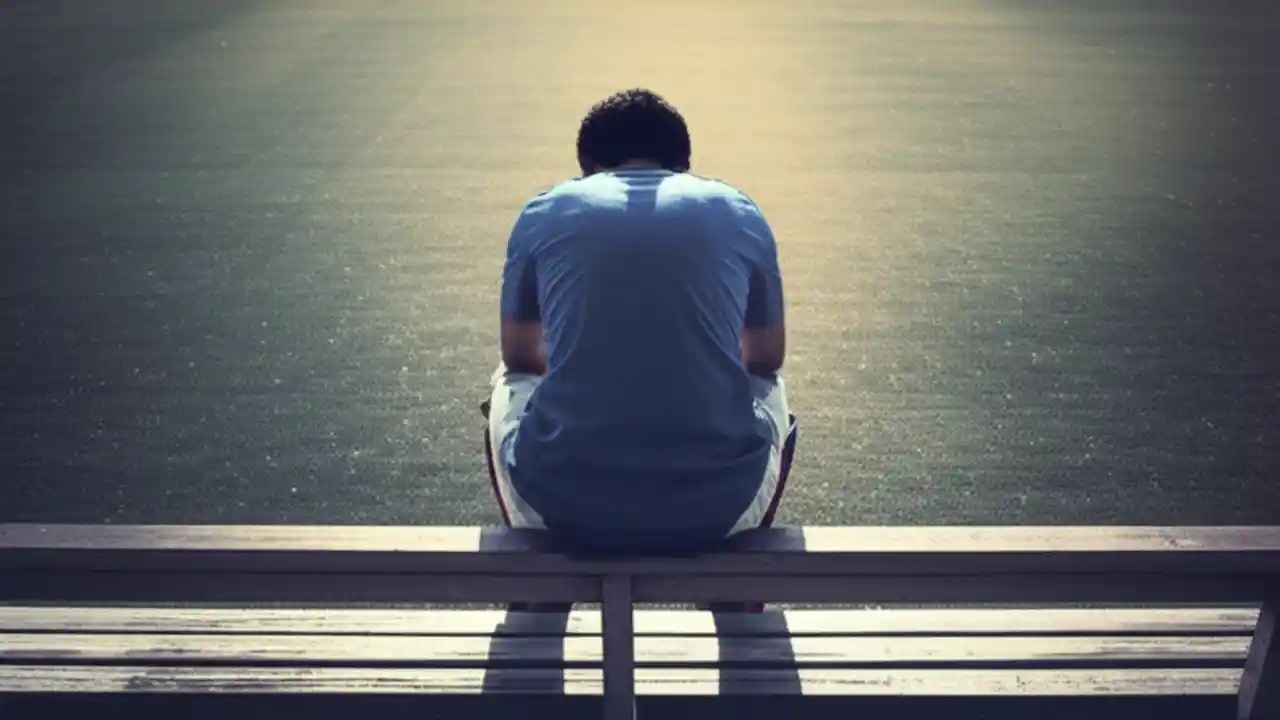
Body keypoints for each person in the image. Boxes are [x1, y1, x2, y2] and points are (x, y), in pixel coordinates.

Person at [484, 88, 796, 554]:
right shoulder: (738, 209)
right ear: (683, 163)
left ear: (586, 166)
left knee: (509, 379)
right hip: (718, 507)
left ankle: (535, 595)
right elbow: (766, 359)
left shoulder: (545, 210)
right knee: (772, 388)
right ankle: (740, 592)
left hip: (562, 504)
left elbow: (520, 356)